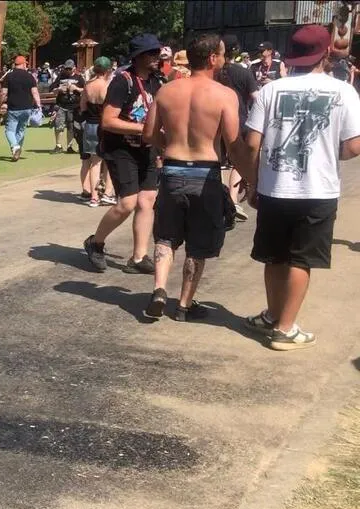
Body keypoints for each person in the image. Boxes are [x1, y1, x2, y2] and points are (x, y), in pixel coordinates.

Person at [242, 25, 360, 350]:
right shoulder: (344, 92)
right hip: (317, 190)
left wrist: (252, 181)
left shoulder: (270, 90)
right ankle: (285, 327)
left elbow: (252, 142)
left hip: (274, 186)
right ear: (326, 54)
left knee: (274, 256)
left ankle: (272, 316)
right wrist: (325, 151)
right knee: (301, 259)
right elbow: (353, 146)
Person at [141, 34, 249, 321]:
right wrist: (248, 175)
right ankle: (185, 306)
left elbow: (149, 134)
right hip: (205, 174)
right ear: (213, 58)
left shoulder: (166, 91)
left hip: (173, 170)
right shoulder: (224, 95)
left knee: (166, 236)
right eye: (223, 54)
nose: (225, 60)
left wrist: (172, 147)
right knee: (198, 243)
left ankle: (159, 290)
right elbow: (234, 143)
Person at [83, 34, 164, 275]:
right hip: (121, 150)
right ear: (138, 57)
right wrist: (143, 129)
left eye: (157, 53)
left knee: (147, 200)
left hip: (147, 149)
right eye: (151, 54)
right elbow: (108, 121)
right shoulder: (122, 81)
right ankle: (95, 242)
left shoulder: (156, 82)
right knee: (127, 203)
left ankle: (138, 257)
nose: (156, 58)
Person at [218, 35, 259, 224]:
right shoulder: (243, 72)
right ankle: (233, 199)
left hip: (215, 121)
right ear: (235, 51)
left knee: (215, 159)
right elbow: (256, 98)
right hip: (238, 120)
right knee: (238, 159)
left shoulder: (213, 72)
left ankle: (216, 197)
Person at [79, 57, 115, 207]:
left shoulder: (88, 86)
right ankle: (107, 193)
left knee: (94, 162)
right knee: (110, 161)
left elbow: (82, 107)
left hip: (90, 125)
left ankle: (94, 196)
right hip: (104, 126)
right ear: (107, 70)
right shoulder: (106, 86)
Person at [0, 55, 40, 161]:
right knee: (21, 130)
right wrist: (39, 105)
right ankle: (17, 150)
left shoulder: (9, 76)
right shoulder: (30, 76)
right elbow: (35, 92)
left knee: (9, 130)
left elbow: (3, 93)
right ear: (23, 64)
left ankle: (15, 147)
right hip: (27, 108)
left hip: (13, 108)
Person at [50, 59, 85, 154]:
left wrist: (76, 88)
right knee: (58, 125)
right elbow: (52, 89)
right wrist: (58, 89)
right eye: (66, 69)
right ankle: (58, 145)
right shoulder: (60, 77)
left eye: (70, 69)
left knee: (71, 127)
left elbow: (85, 89)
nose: (68, 70)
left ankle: (70, 146)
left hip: (74, 106)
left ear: (74, 68)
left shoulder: (79, 78)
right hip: (61, 105)